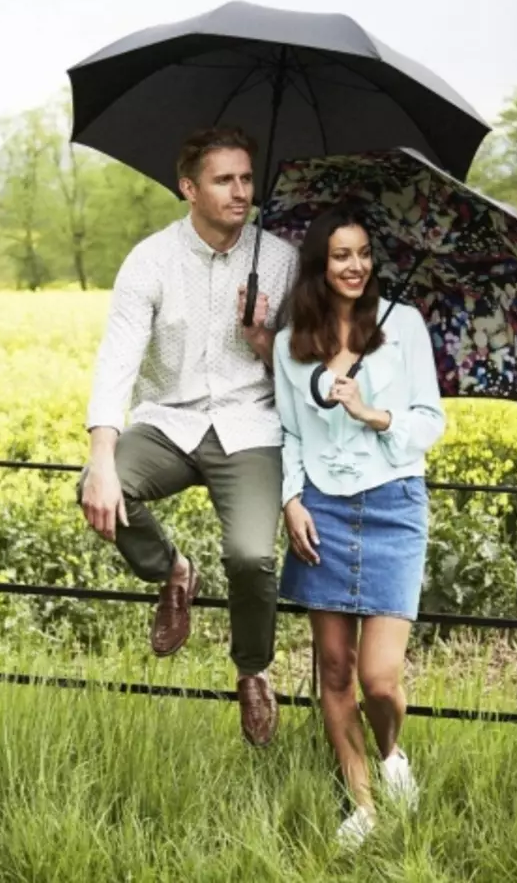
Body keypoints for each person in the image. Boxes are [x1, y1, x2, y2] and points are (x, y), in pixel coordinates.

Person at [78, 126, 300, 746]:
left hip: (249, 423)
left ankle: (251, 670)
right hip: (169, 420)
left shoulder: (279, 260)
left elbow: (300, 368)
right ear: (188, 188)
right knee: (103, 487)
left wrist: (262, 340)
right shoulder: (149, 260)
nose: (240, 192)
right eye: (223, 180)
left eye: (246, 179)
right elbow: (117, 358)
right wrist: (101, 456)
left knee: (252, 556)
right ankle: (174, 571)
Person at [272, 203, 445, 847]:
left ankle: (393, 754)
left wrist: (377, 416)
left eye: (364, 253)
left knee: (379, 678)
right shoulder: (294, 341)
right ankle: (361, 805)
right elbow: (286, 430)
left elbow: (431, 420)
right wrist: (291, 500)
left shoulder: (404, 326)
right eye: (341, 254)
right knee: (335, 672)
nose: (356, 265)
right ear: (320, 264)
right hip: (322, 509)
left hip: (395, 505)